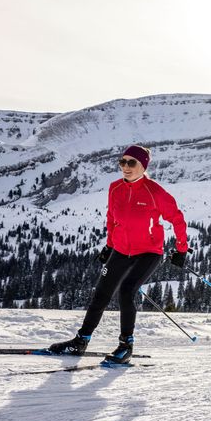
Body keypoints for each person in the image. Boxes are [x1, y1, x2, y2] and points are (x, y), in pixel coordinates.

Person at [50, 145, 189, 364]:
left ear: (143, 166)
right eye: (122, 162)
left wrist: (181, 250)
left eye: (131, 162)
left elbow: (177, 218)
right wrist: (109, 245)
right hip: (121, 250)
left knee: (126, 291)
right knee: (101, 293)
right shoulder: (115, 188)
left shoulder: (155, 192)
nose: (125, 167)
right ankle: (80, 341)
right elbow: (112, 219)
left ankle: (126, 346)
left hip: (148, 252)